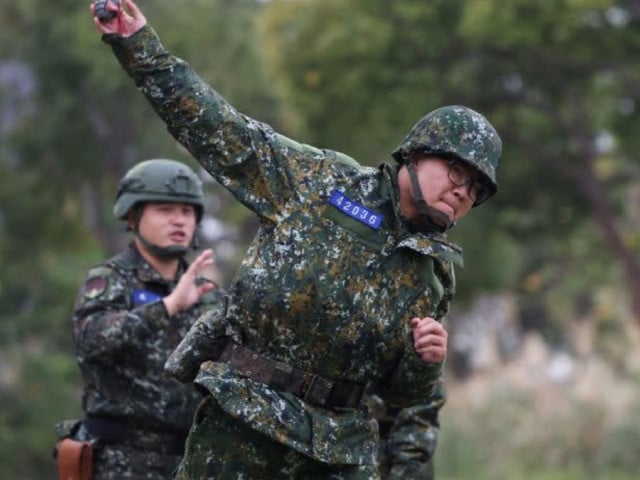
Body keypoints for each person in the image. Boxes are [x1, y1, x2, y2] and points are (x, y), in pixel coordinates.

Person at [91, 1, 502, 478]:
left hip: (338, 452)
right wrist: (139, 46)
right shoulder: (320, 181)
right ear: (417, 153)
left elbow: (402, 398)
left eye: (475, 189)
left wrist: (424, 362)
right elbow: (215, 127)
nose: (461, 190)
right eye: (456, 170)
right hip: (244, 422)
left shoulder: (434, 273)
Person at [54, 158, 224, 480]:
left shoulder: (209, 294)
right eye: (165, 210)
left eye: (187, 211)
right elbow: (91, 340)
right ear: (133, 216)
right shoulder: (109, 279)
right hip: (122, 461)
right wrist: (168, 306)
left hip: (192, 461)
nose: (179, 221)